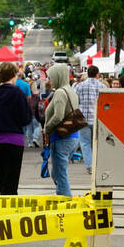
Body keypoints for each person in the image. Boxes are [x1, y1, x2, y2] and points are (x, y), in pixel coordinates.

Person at [0, 62, 31, 195]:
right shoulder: (17, 93)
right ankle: (11, 211)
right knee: (12, 181)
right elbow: (26, 118)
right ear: (13, 76)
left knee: (2, 181)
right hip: (14, 140)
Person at [42, 62, 81, 196]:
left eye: (51, 77)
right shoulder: (70, 90)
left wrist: (47, 128)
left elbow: (58, 116)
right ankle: (63, 195)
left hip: (61, 138)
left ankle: (65, 200)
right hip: (72, 136)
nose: (49, 81)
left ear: (58, 76)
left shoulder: (59, 92)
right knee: (58, 172)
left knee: (60, 174)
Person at [75, 65, 103, 175]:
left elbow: (74, 100)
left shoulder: (79, 86)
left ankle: (90, 166)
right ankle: (97, 164)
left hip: (82, 117)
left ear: (87, 73)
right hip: (97, 118)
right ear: (97, 74)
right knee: (96, 142)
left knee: (85, 143)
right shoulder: (102, 86)